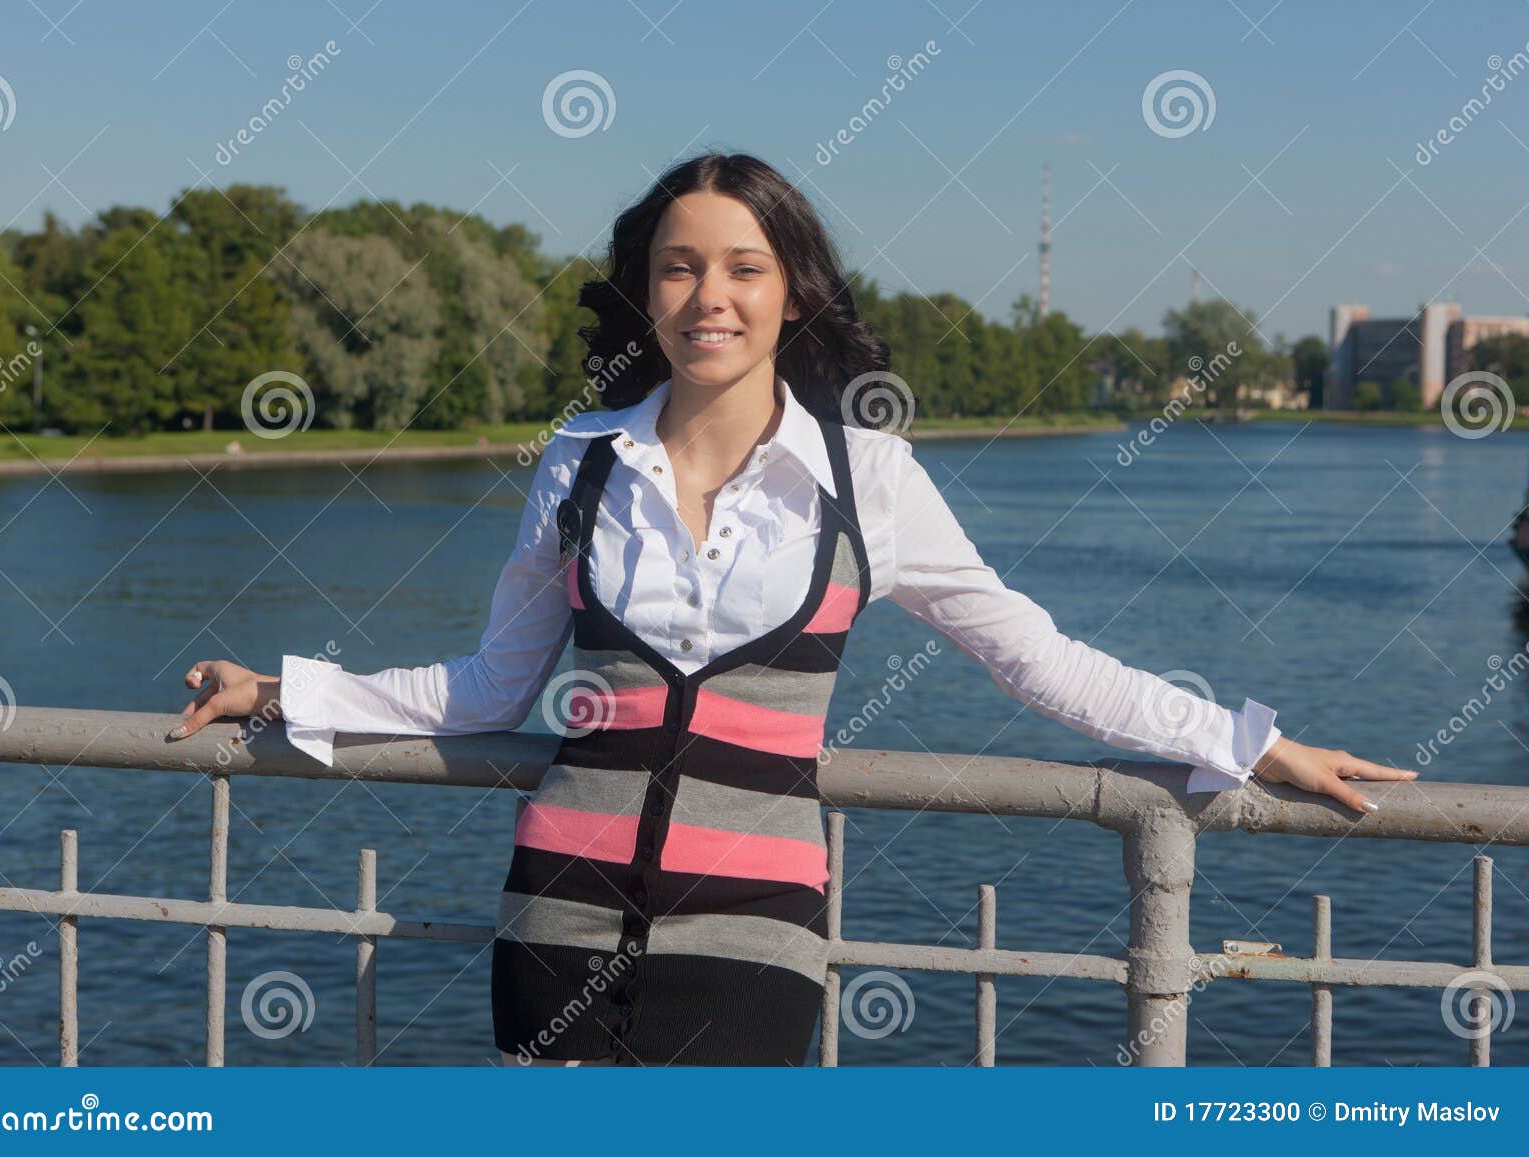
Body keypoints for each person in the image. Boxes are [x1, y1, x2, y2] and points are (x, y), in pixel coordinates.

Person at [168, 152, 1418, 1067]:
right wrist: (282, 690)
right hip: (553, 907)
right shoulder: (580, 459)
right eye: (678, 266)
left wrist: (1245, 740)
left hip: (756, 929)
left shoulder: (864, 476)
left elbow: (1034, 659)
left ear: (792, 292)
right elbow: (494, 686)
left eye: (743, 267)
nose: (709, 295)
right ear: (644, 292)